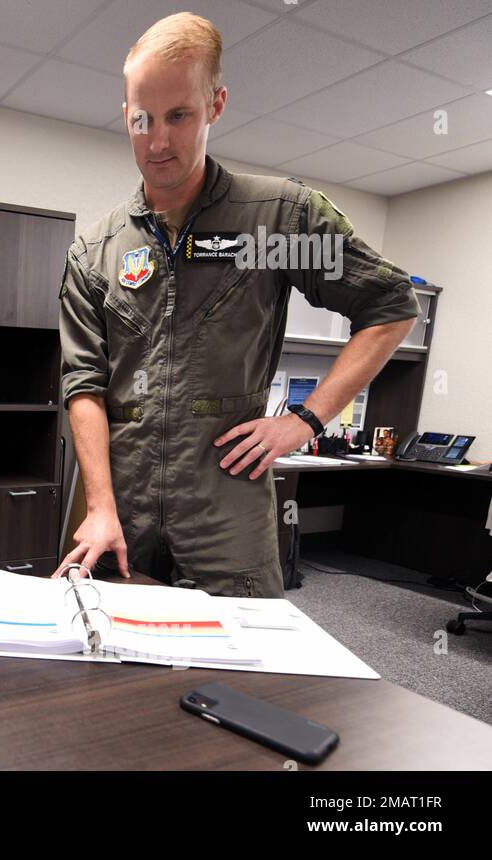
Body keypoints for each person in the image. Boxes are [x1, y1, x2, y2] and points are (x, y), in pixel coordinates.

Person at [57, 13, 420, 596]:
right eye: (143, 119)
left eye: (180, 115)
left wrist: (304, 421)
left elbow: (392, 306)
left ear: (216, 105)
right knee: (95, 654)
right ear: (126, 113)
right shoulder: (95, 251)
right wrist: (100, 504)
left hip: (225, 505)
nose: (158, 141)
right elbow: (84, 386)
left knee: (238, 664)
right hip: (115, 500)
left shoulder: (277, 219)